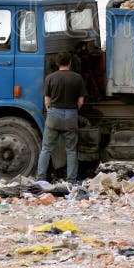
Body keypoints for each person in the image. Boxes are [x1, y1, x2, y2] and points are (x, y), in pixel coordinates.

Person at [36, 51, 86, 183]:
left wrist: (52, 111)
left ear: (57, 63)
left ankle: (41, 178)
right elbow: (81, 101)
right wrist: (73, 111)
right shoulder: (77, 78)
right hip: (71, 115)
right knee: (71, 150)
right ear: (70, 62)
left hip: (54, 115)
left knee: (46, 148)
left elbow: (47, 101)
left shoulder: (50, 78)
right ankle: (71, 180)